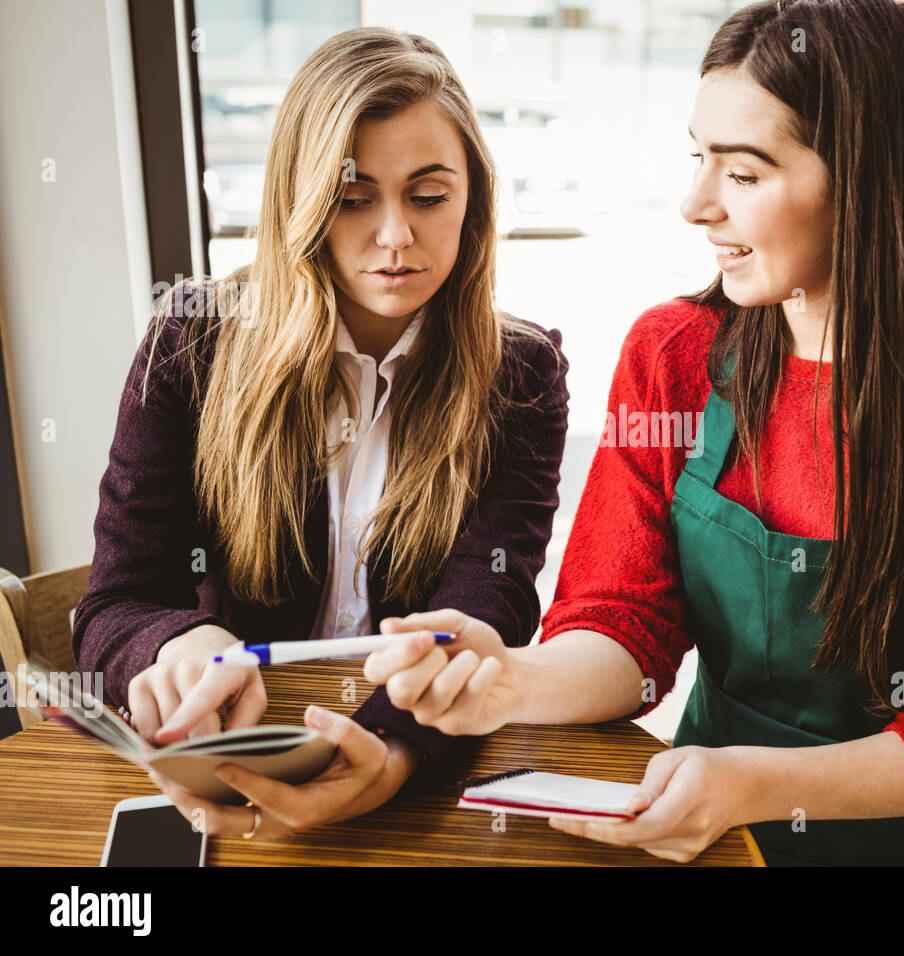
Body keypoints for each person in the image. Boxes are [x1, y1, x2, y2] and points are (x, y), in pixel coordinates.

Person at [366, 0, 904, 865]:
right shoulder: (674, 353)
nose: (695, 204)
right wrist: (508, 683)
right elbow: (624, 621)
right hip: (697, 820)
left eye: (745, 173)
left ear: (875, 179)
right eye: (699, 158)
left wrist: (755, 784)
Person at [73, 26, 569, 839]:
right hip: (229, 764)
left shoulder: (521, 373)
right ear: (300, 199)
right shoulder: (191, 343)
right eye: (351, 196)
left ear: (472, 196)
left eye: (429, 195)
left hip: (414, 764)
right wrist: (175, 646)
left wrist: (394, 751)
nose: (395, 235)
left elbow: (491, 598)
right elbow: (116, 606)